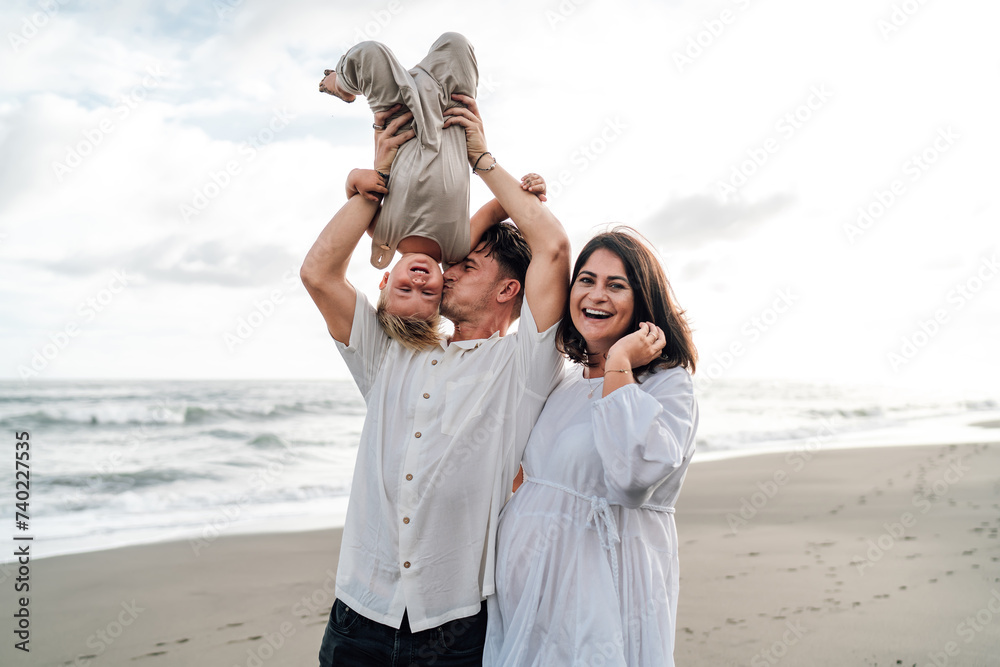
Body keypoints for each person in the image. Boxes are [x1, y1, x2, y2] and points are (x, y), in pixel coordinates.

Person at [300, 85, 571, 665]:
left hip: (453, 623)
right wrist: (375, 187)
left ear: (508, 290)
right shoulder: (393, 354)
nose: (443, 273)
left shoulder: (523, 367)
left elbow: (551, 247)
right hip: (358, 611)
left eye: (465, 266)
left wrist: (482, 162)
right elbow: (320, 274)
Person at [484, 230, 699, 667]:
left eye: (616, 285)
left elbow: (634, 477)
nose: (596, 295)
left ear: (643, 301)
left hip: (595, 600)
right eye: (586, 279)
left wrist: (620, 361)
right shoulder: (564, 381)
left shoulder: (668, 384)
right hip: (528, 602)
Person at [320, 33, 546, 348]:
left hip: (400, 120)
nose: (419, 282)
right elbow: (499, 208)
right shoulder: (458, 247)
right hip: (452, 124)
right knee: (457, 45)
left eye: (404, 289)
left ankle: (341, 86)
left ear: (385, 281)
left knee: (369, 53)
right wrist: (529, 187)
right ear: (443, 288)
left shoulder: (384, 237)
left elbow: (358, 194)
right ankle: (425, 80)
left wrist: (354, 177)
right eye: (428, 293)